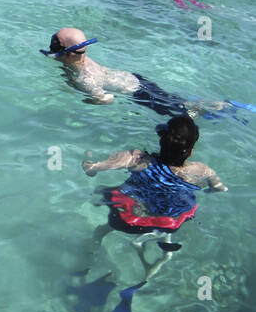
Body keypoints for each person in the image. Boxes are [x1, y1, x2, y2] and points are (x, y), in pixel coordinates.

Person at [82, 115, 226, 276]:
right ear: (191, 152)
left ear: (161, 140)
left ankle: (89, 257)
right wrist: (209, 190)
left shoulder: (138, 159)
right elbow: (220, 188)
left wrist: (88, 161)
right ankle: (159, 253)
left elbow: (91, 169)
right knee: (165, 209)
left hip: (128, 218)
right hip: (170, 222)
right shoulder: (202, 170)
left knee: (102, 219)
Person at [41, 28, 223, 116]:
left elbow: (107, 100)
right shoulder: (82, 60)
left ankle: (217, 108)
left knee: (184, 112)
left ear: (69, 53)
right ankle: (215, 106)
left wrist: (83, 99)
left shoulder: (84, 77)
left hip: (137, 93)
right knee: (178, 101)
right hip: (134, 78)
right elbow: (62, 57)